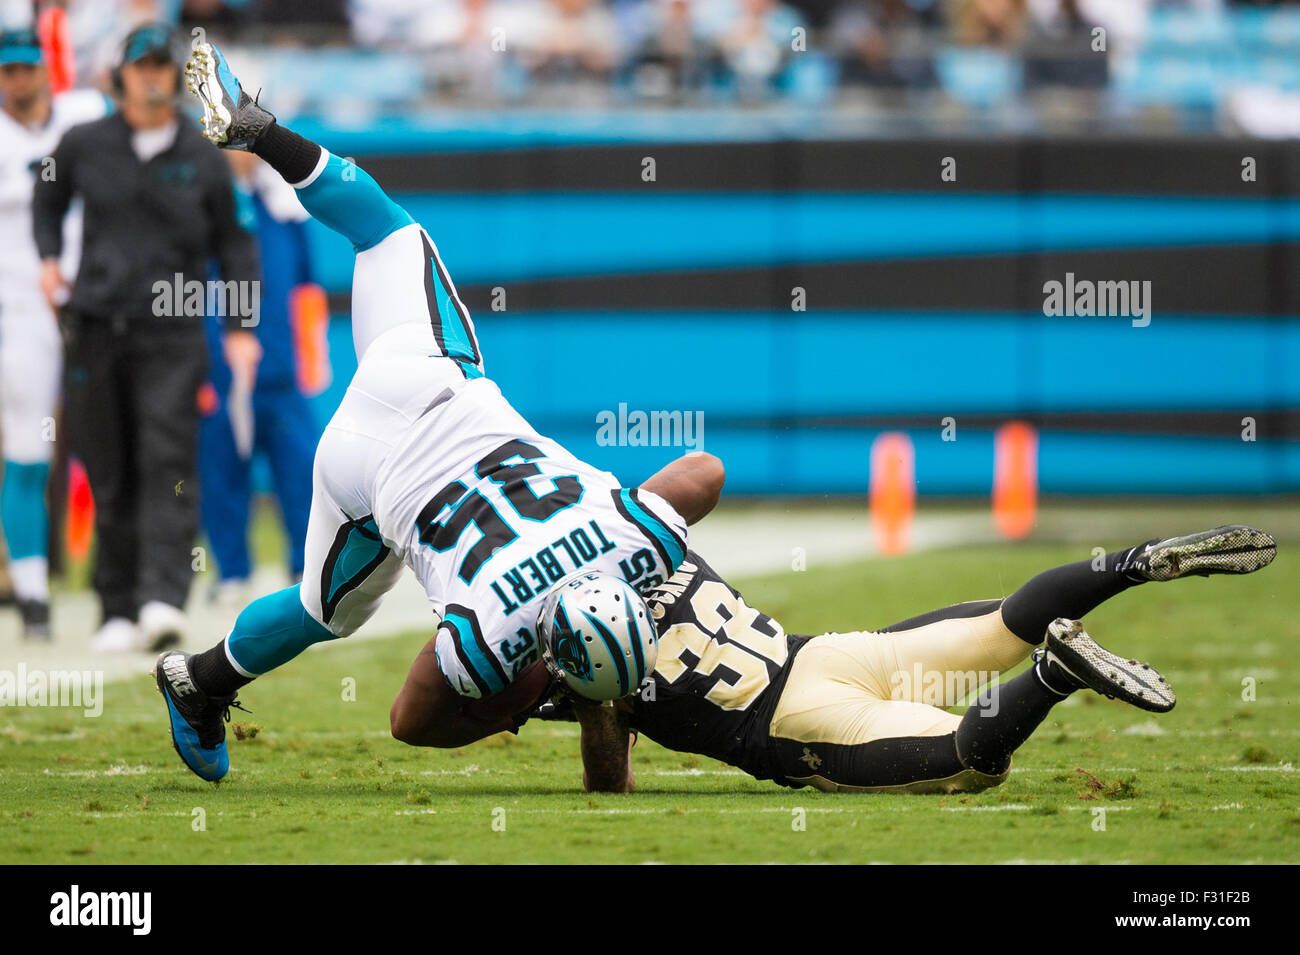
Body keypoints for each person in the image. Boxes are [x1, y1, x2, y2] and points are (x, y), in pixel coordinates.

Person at [155, 41, 725, 783]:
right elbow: (409, 722)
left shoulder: (635, 537)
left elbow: (702, 472)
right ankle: (199, 682)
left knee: (389, 229)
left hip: (424, 375)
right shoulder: (490, 635)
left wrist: (635, 543)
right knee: (322, 612)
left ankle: (260, 130)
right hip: (367, 469)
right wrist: (532, 693)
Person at [535, 526, 1276, 794]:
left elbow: (610, 784)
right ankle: (1137, 561)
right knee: (997, 628)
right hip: (827, 653)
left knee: (970, 760)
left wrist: (600, 705)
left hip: (802, 722)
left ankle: (1056, 674)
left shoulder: (611, 675)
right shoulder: (666, 554)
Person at [31, 23, 261, 652]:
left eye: (165, 67)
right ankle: (116, 605)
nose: (154, 77)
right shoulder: (84, 143)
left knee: (167, 463)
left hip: (174, 334)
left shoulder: (204, 155)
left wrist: (241, 327)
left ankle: (163, 596)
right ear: (121, 75)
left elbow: (237, 246)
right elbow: (46, 197)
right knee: (108, 467)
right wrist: (49, 258)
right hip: (98, 327)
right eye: (143, 67)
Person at [0, 26, 109, 639]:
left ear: (46, 68)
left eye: (27, 68)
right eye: (9, 70)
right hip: (22, 310)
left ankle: (120, 587)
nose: (20, 80)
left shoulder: (83, 117)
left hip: (96, 300)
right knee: (27, 455)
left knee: (116, 448)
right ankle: (34, 598)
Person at [198, 152, 324, 608]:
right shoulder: (200, 201)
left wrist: (312, 357)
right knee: (221, 472)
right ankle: (232, 571)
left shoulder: (283, 205)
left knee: (300, 471)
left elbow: (307, 286)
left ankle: (307, 565)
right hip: (220, 367)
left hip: (281, 367)